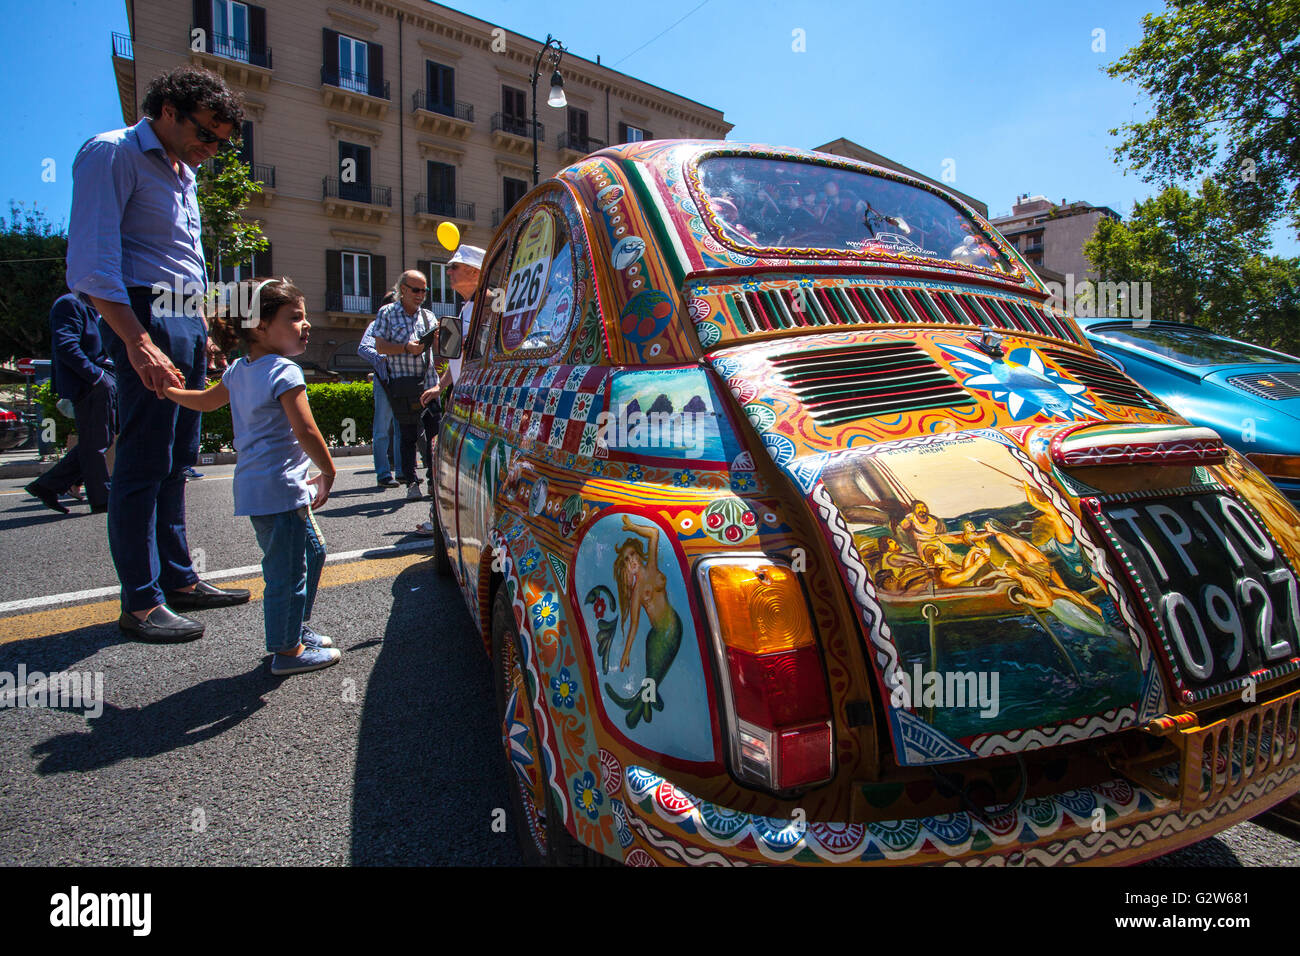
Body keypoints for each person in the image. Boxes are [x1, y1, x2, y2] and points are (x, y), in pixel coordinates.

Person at [65, 65, 250, 643]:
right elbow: (92, 263)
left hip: (181, 315)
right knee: (142, 463)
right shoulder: (112, 153)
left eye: (221, 141)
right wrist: (138, 340)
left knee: (178, 458)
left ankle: (178, 578)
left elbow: (182, 259)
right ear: (167, 110)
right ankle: (140, 602)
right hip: (143, 313)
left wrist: (201, 328)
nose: (212, 150)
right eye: (206, 134)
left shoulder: (183, 173)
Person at [164, 278, 341, 676]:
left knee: (312, 552)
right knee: (286, 574)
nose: (306, 324)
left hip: (259, 489)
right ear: (261, 327)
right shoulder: (284, 370)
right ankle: (287, 650)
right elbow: (307, 431)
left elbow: (205, 402)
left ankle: (294, 629)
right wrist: (328, 471)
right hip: (280, 490)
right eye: (295, 317)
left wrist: (172, 392)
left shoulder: (241, 371)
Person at [25, 293, 116, 515]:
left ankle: (48, 485)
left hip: (105, 382)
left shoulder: (99, 307)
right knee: (95, 443)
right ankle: (102, 499)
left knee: (101, 439)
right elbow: (65, 345)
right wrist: (96, 376)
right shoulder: (69, 304)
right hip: (88, 385)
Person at [415, 245, 484, 537]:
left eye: (454, 266)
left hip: (480, 400)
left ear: (474, 272)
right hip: (465, 397)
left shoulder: (491, 305)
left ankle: (448, 519)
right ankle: (446, 517)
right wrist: (442, 386)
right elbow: (458, 356)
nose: (449, 272)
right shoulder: (469, 308)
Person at [372, 269, 437, 501]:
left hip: (429, 384)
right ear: (403, 289)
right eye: (416, 290)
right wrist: (405, 348)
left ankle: (433, 481)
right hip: (404, 384)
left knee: (434, 436)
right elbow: (379, 346)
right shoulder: (387, 313)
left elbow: (438, 345)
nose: (421, 295)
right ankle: (411, 482)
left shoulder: (429, 316)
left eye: (424, 290)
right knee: (408, 435)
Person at [358, 311, 398, 487]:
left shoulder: (409, 323)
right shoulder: (376, 325)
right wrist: (384, 358)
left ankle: (403, 471)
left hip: (405, 380)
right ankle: (383, 474)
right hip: (384, 381)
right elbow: (363, 348)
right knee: (381, 429)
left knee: (402, 428)